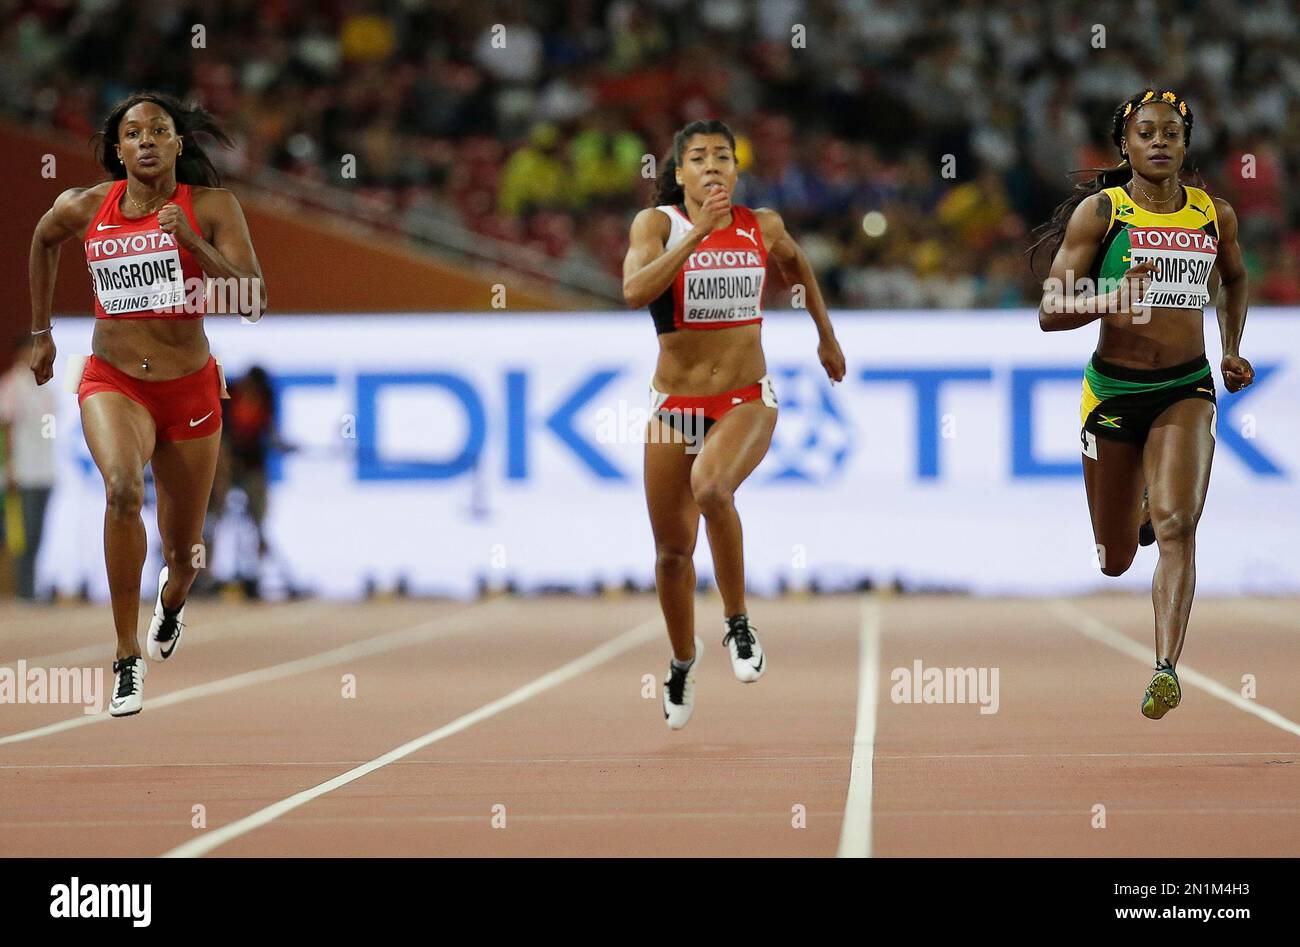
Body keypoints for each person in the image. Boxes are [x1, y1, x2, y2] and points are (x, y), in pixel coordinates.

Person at [27, 91, 266, 717]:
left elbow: (251, 299)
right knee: (123, 490)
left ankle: (175, 601)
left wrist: (191, 241)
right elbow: (41, 239)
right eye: (133, 133)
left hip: (188, 390)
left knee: (185, 555)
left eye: (159, 130)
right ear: (119, 149)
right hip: (114, 382)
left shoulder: (212, 207)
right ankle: (126, 656)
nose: (147, 141)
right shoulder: (84, 206)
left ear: (179, 143)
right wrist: (41, 332)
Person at [1031, 90, 1252, 720]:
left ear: (1185, 145)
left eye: (1171, 134)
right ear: (1124, 145)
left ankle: (1165, 668)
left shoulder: (1214, 215)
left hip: (1187, 387)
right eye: (1145, 133)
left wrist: (1231, 346)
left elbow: (1234, 279)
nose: (1159, 142)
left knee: (1182, 526)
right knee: (1116, 555)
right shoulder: (1102, 214)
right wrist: (1108, 295)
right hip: (1114, 395)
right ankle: (1142, 515)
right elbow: (1050, 311)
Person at [622, 119, 846, 729]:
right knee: (672, 551)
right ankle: (682, 659)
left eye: (724, 156)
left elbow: (799, 266)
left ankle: (738, 623)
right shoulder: (657, 226)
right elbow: (634, 289)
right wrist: (696, 235)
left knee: (713, 488)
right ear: (680, 174)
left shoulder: (761, 225)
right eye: (699, 157)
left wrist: (826, 336)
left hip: (746, 397)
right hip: (676, 406)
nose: (714, 166)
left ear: (737, 171)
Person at [0, 334, 58, 600]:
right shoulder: (12, 384)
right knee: (22, 535)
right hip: (22, 473)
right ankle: (21, 589)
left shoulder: (44, 387)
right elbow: (7, 427)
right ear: (21, 354)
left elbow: (50, 430)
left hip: (44, 472)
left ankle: (30, 586)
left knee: (37, 535)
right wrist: (10, 467)